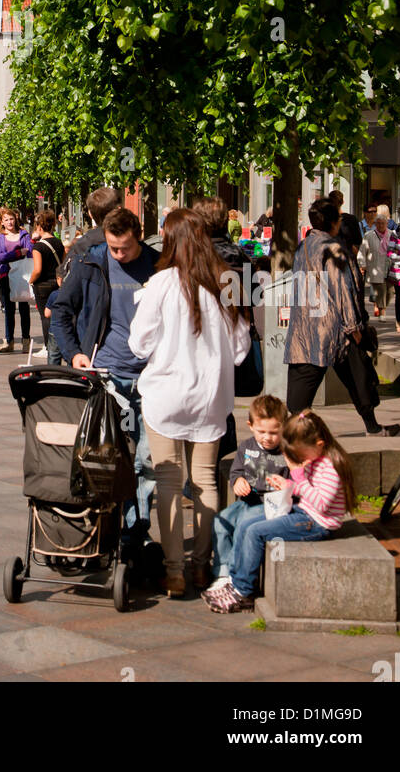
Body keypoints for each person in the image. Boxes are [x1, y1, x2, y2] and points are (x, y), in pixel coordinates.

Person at [129, 208, 250, 596]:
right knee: (205, 480)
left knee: (167, 479)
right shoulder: (227, 280)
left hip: (166, 393)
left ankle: (174, 570)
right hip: (211, 396)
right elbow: (241, 350)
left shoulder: (162, 282)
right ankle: (202, 566)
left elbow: (138, 343)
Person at [53, 206, 160, 536]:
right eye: (114, 248)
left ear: (138, 237)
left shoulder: (158, 265)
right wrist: (74, 354)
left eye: (125, 247)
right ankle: (110, 527)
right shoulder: (93, 261)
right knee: (108, 455)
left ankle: (136, 532)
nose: (119, 254)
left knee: (145, 459)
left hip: (149, 377)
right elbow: (61, 310)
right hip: (107, 374)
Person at [204, 410, 355, 613]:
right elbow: (308, 491)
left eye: (299, 454)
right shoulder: (314, 459)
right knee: (246, 523)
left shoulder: (330, 468)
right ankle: (233, 579)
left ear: (319, 444)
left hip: (316, 522)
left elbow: (321, 505)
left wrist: (298, 477)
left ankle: (242, 590)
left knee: (256, 531)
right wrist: (288, 484)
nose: (297, 458)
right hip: (304, 511)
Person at [285, 197, 399, 435]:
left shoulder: (303, 246)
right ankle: (372, 427)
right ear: (333, 222)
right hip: (335, 331)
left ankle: (291, 435)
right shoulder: (334, 249)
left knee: (300, 397)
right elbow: (343, 290)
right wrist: (354, 327)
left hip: (304, 330)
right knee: (359, 378)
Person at [207, 395, 289, 588]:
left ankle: (236, 574)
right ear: (251, 426)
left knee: (244, 525)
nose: (267, 437)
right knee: (221, 521)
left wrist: (285, 485)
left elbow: (294, 479)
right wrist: (238, 482)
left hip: (269, 504)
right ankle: (222, 571)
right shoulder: (246, 447)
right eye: (261, 431)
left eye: (273, 432)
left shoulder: (286, 451)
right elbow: (236, 471)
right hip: (247, 500)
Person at [0, 208, 34, 353]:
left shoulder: (23, 234)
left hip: (22, 275)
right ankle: (9, 341)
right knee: (9, 310)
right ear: (1, 222)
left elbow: (29, 252)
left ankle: (26, 341)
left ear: (15, 219)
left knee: (24, 309)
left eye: (11, 219)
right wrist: (17, 253)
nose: (10, 222)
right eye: (6, 220)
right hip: (6, 275)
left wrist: (15, 254)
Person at [29, 209, 66, 357]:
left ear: (39, 226)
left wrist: (30, 281)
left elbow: (37, 270)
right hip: (57, 283)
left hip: (42, 285)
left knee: (45, 317)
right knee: (57, 316)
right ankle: (60, 345)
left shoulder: (38, 246)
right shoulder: (59, 243)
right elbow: (62, 265)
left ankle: (48, 347)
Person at [63, 186, 122, 269]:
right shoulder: (131, 239)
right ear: (119, 209)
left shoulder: (83, 243)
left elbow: (61, 276)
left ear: (90, 214)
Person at [359, 214, 392, 318]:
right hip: (375, 267)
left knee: (390, 292)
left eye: (383, 223)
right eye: (378, 223)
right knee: (381, 290)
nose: (381, 225)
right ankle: (382, 312)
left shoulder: (392, 235)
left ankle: (383, 307)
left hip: (389, 268)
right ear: (375, 224)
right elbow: (362, 251)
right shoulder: (369, 235)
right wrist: (362, 264)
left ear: (387, 224)